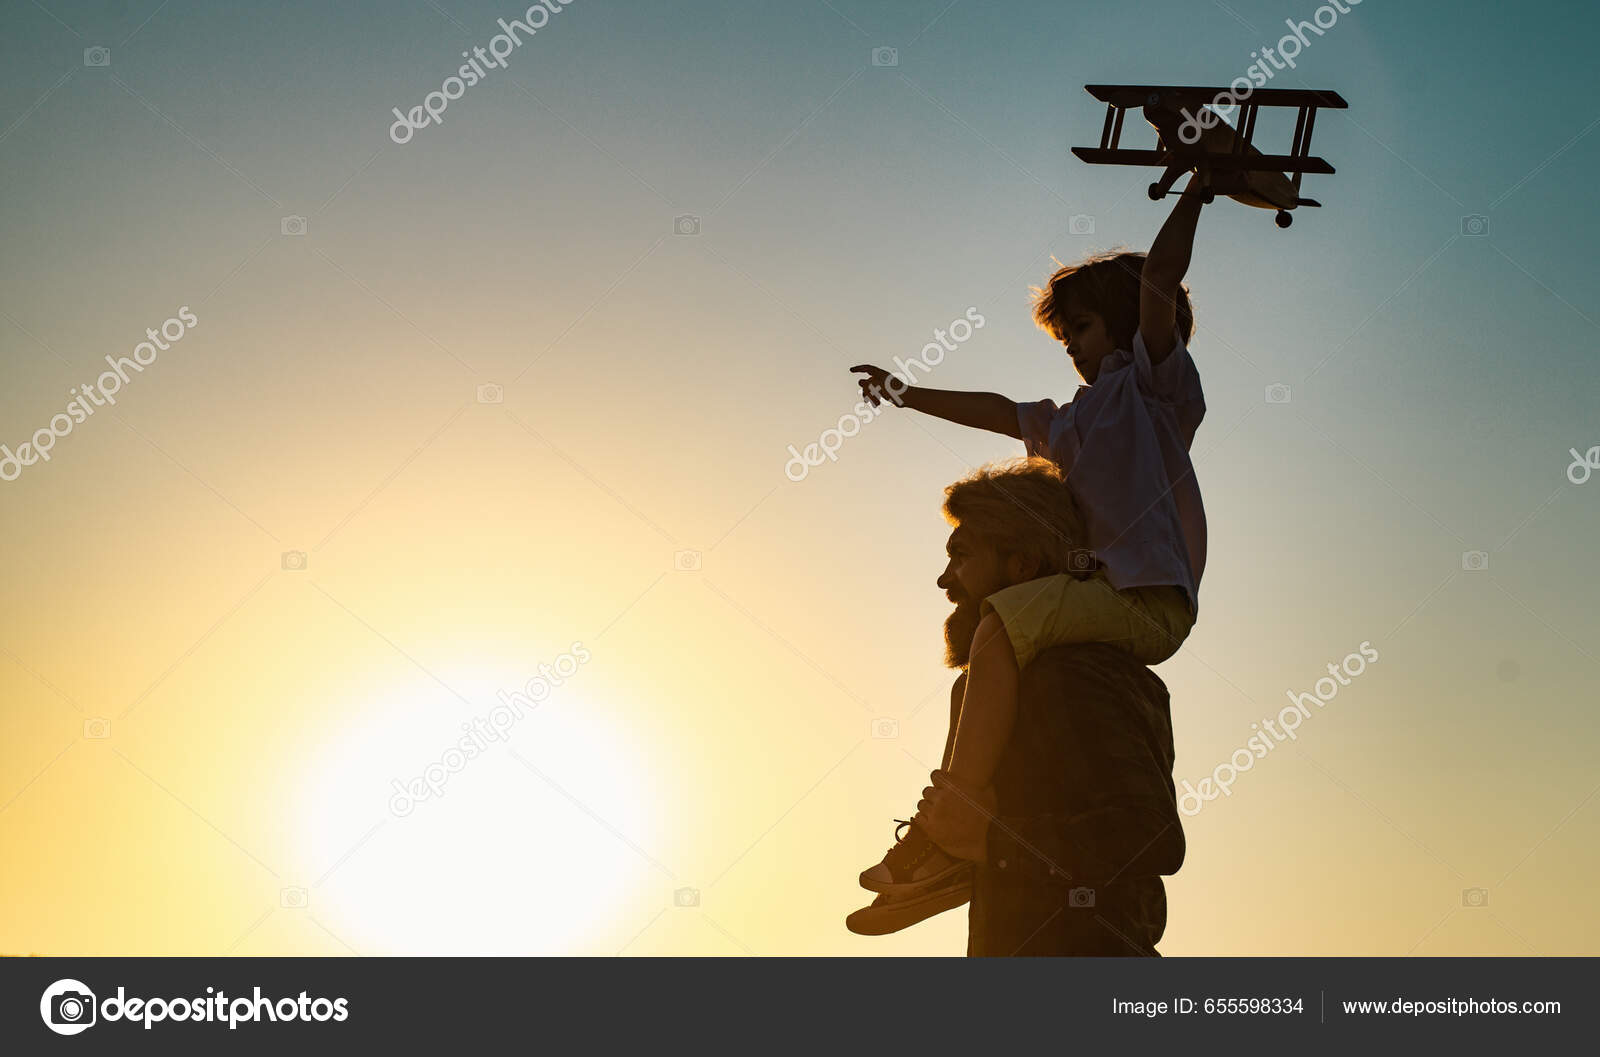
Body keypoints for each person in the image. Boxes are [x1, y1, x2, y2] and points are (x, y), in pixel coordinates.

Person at [848, 174, 1209, 923]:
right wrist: (909, 394)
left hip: (1151, 606)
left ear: (1117, 322)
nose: (1072, 345)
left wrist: (1200, 188)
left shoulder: (1153, 392)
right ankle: (957, 843)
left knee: (1005, 621)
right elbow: (993, 410)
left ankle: (948, 837)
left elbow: (1162, 282)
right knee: (986, 660)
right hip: (1110, 600)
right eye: (1065, 334)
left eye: (1081, 326)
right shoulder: (1068, 422)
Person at [845, 460, 1185, 953]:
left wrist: (989, 843)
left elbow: (1149, 837)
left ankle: (943, 851)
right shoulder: (1002, 682)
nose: (944, 580)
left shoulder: (1073, 673)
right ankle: (943, 859)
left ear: (1021, 566)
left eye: (960, 557)